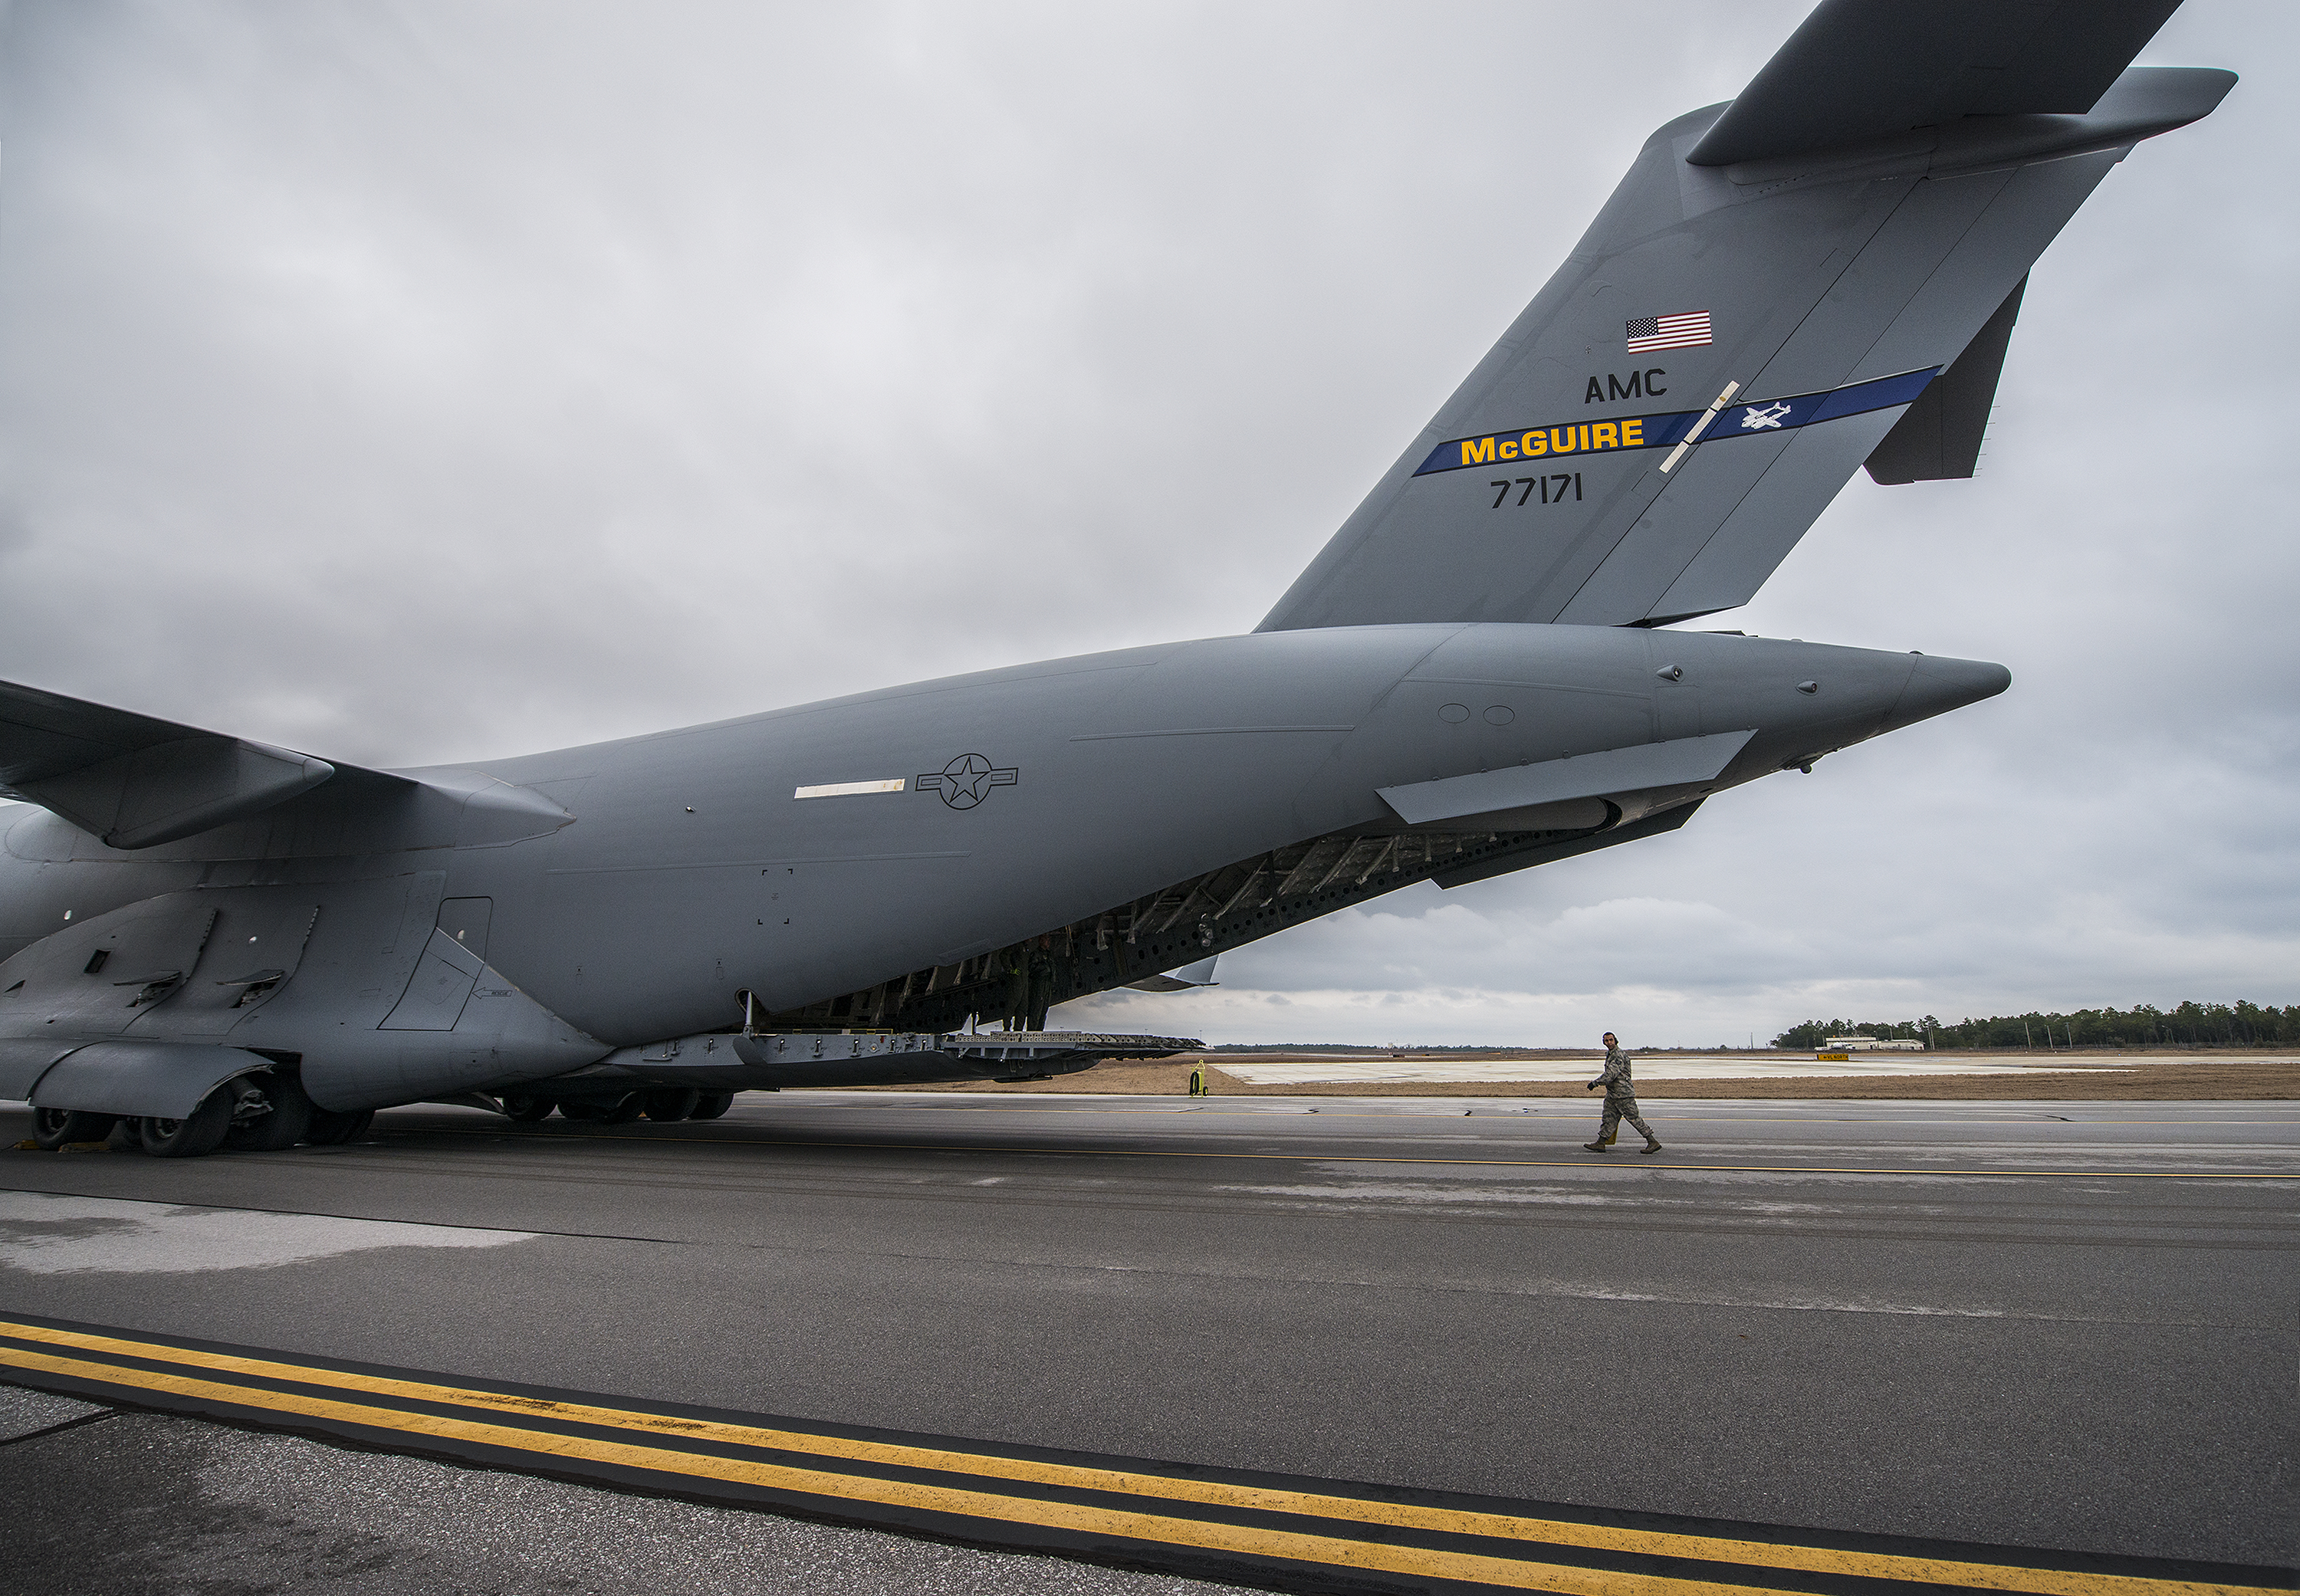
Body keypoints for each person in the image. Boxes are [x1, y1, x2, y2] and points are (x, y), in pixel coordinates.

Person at [1584, 1031, 1661, 1154]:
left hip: (1623, 1094)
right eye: (1606, 1041)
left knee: (1634, 1118)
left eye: (1611, 1040)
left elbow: (1611, 1074)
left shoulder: (1618, 1055)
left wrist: (1596, 1083)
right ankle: (1601, 1142)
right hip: (1613, 1094)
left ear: (1615, 1040)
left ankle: (1652, 1141)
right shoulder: (1610, 1054)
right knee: (1608, 1118)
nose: (1609, 1042)